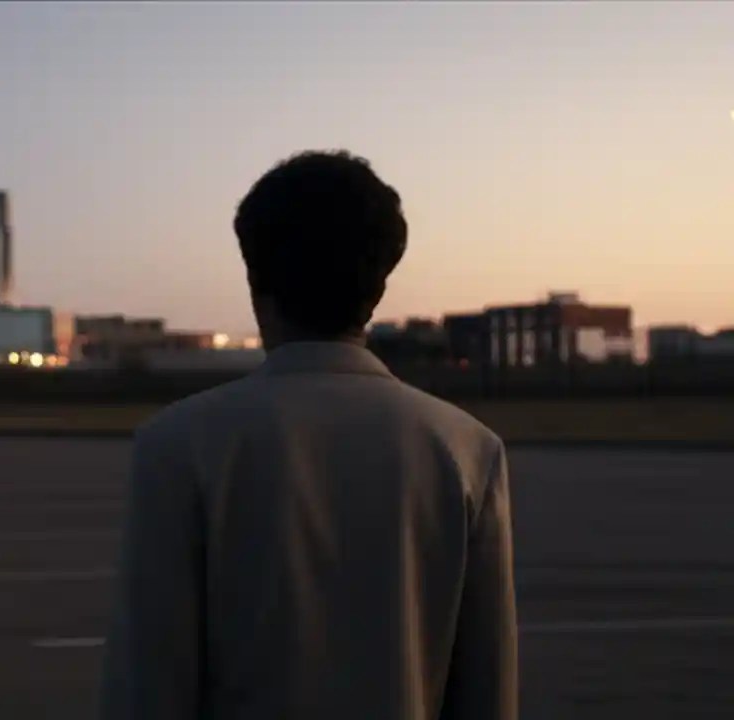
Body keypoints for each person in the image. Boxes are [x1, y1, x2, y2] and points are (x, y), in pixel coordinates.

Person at [99, 151, 517, 719]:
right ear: (380, 283)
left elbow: (148, 683)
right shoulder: (467, 449)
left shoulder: (176, 446)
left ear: (256, 281)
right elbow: (486, 690)